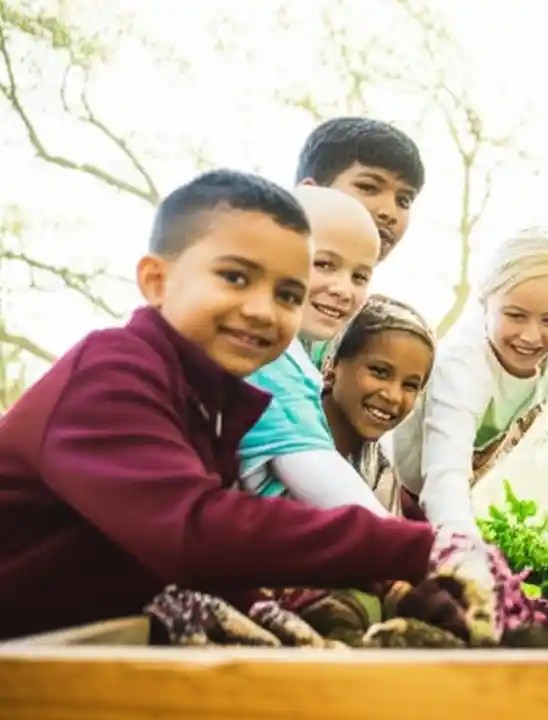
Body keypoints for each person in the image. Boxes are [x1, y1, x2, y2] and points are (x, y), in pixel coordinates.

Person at [0, 170, 470, 641]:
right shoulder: (109, 376)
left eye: (288, 294)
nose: (263, 310)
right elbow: (192, 531)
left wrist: (263, 605)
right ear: (156, 280)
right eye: (235, 277)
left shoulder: (213, 402)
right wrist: (423, 549)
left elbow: (165, 553)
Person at [393, 231, 548, 539]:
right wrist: (463, 548)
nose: (531, 336)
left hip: (465, 484)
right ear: (485, 303)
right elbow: (445, 472)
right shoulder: (464, 362)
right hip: (406, 491)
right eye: (515, 315)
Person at [237, 186, 387, 515]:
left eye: (360, 276)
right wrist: (416, 552)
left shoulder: (292, 352)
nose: (343, 289)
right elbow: (316, 470)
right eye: (324, 264)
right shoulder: (267, 356)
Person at [295, 116, 424, 368]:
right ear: (310, 191)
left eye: (404, 200)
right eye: (369, 187)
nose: (389, 211)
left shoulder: (344, 319)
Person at [321, 294, 436, 516]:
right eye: (380, 372)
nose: (393, 396)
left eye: (410, 385)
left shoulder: (380, 475)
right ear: (333, 363)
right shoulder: (286, 435)